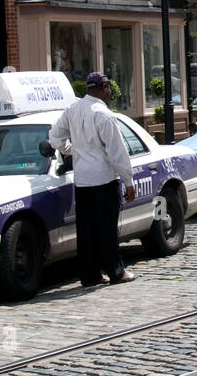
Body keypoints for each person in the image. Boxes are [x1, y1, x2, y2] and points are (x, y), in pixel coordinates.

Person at [49, 72, 137, 287]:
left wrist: (71, 150)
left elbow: (54, 136)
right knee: (107, 228)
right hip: (103, 178)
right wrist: (128, 180)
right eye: (108, 87)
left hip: (83, 180)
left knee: (87, 230)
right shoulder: (103, 114)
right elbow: (116, 151)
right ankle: (115, 272)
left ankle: (90, 275)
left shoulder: (73, 109)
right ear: (104, 86)